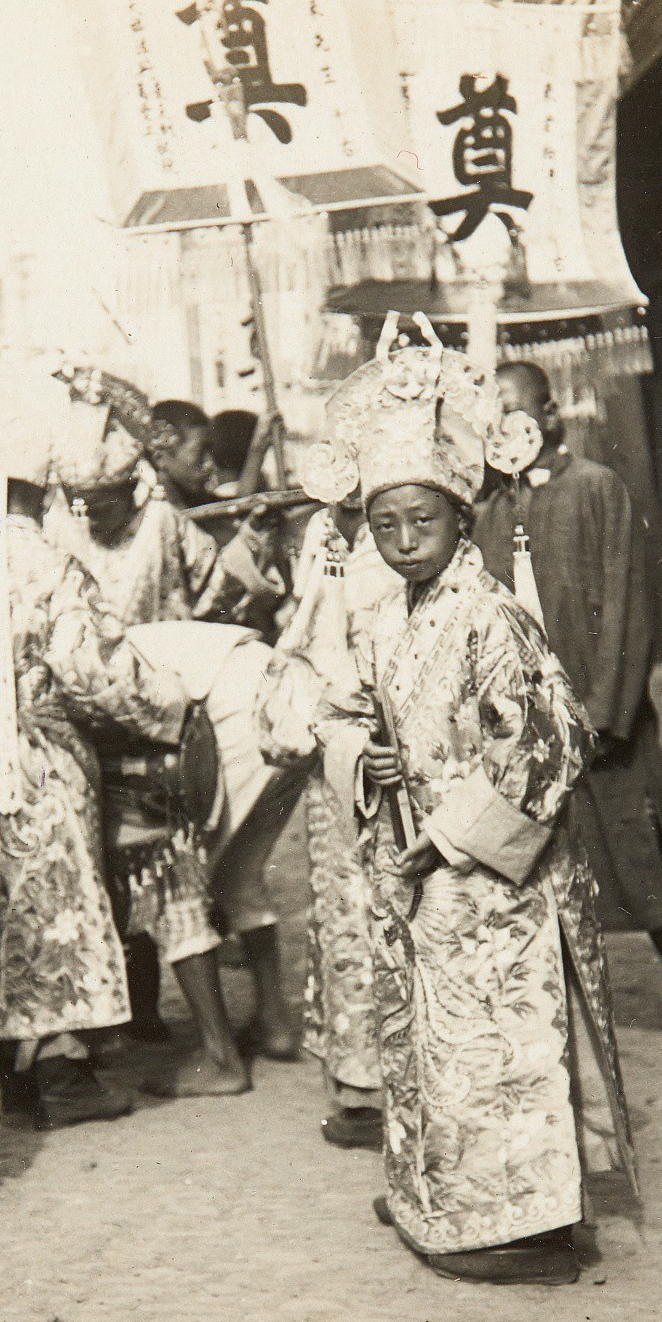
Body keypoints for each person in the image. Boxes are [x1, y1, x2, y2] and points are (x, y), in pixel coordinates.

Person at [312, 328, 635, 1286]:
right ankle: (436, 1189)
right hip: (412, 863)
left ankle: (524, 1225)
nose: (405, 541)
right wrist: (362, 757)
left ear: (460, 517)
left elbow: (549, 747)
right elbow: (341, 716)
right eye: (386, 527)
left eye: (424, 522)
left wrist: (449, 837)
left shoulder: (490, 614)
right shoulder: (382, 617)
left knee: (499, 1047)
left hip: (489, 876)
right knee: (431, 1043)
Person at [0, 372, 187, 1128]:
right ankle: (64, 1069)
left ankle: (11, 1065)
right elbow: (97, 673)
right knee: (57, 896)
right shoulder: (55, 567)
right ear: (36, 489)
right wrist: (171, 709)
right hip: (52, 761)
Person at [51, 377, 297, 1090]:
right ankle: (274, 1023)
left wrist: (250, 553)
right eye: (83, 504)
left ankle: (218, 1054)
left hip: (187, 706)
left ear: (132, 486)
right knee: (236, 872)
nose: (93, 515)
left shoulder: (156, 525)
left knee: (174, 872)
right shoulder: (97, 531)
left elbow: (216, 599)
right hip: (199, 691)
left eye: (103, 501)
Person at [474, 361, 662, 1058]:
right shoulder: (488, 510)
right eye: (493, 420)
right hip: (526, 715)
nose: (507, 431)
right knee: (542, 856)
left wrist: (606, 711)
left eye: (519, 414)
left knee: (637, 843)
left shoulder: (595, 489)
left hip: (599, 706)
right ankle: (562, 1001)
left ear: (551, 417)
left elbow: (626, 599)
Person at [255, 478, 402, 1148]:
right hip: (334, 756)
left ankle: (404, 1079)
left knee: (396, 912)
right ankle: (360, 1082)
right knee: (345, 918)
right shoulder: (323, 534)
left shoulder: (409, 538)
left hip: (396, 748)